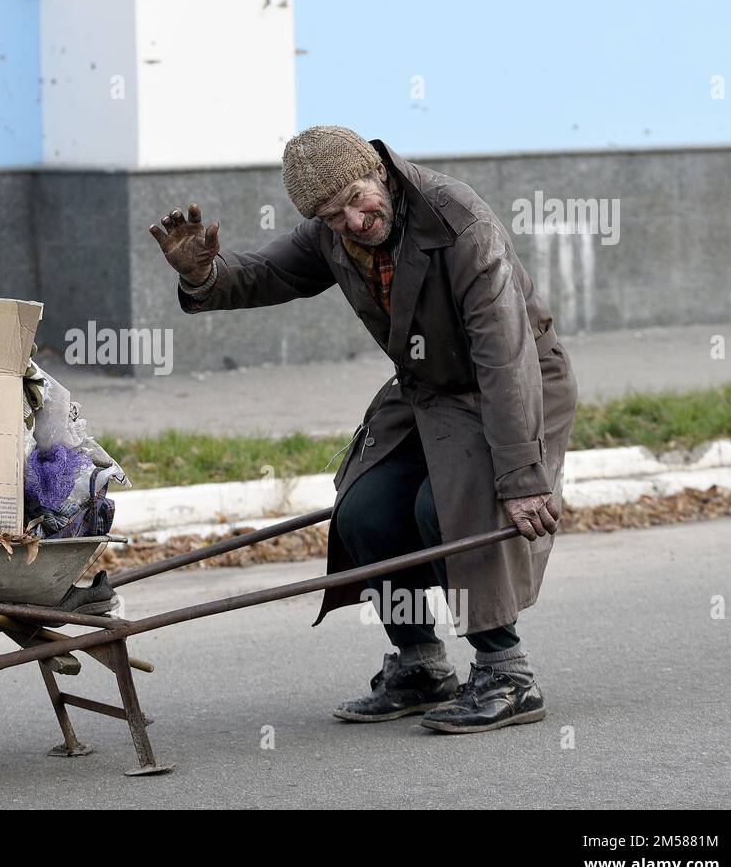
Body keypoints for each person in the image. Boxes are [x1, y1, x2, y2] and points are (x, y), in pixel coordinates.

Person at [148, 125, 578, 733]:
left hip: (514, 379)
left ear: (377, 169)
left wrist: (520, 473)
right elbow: (265, 276)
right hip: (431, 388)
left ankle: (507, 672)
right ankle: (421, 666)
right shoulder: (333, 235)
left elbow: (503, 352)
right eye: (332, 214)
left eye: (357, 198)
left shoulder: (458, 221)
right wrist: (203, 274)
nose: (352, 219)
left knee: (451, 508)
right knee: (365, 510)